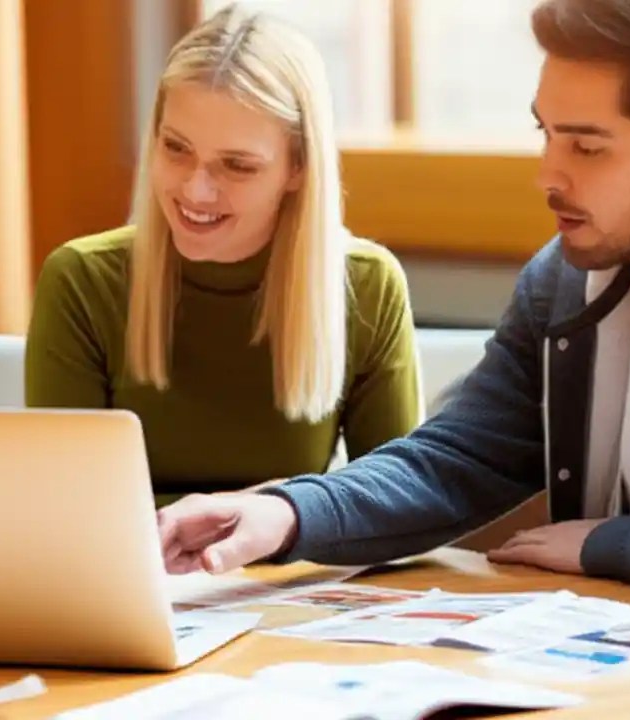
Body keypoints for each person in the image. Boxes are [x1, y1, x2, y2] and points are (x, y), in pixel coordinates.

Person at [158, 0, 630, 621]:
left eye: (588, 147)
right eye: (546, 132)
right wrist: (283, 515)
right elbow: (452, 462)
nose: (548, 173)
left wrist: (604, 542)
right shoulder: (566, 283)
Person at [25, 6, 421, 500]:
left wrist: (271, 520)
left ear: (298, 169)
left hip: (300, 576)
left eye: (237, 165)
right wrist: (263, 510)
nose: (196, 190)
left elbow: (400, 506)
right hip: (128, 575)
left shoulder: (367, 286)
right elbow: (65, 505)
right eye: (176, 148)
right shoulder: (83, 282)